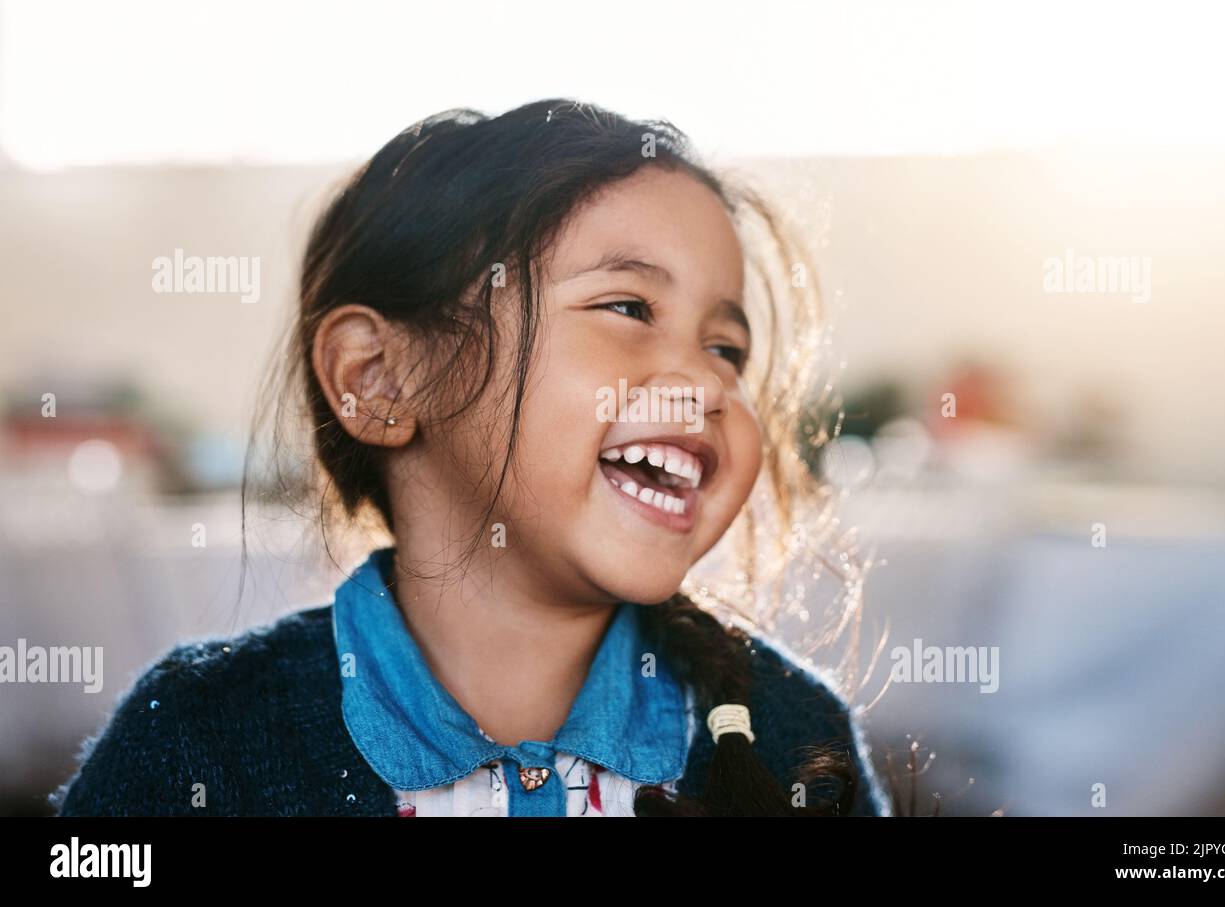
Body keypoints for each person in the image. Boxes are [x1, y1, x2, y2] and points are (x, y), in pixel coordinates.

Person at [52, 100, 893, 817]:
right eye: (630, 305)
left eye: (727, 349)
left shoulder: (790, 731)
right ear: (379, 379)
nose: (708, 383)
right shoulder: (199, 740)